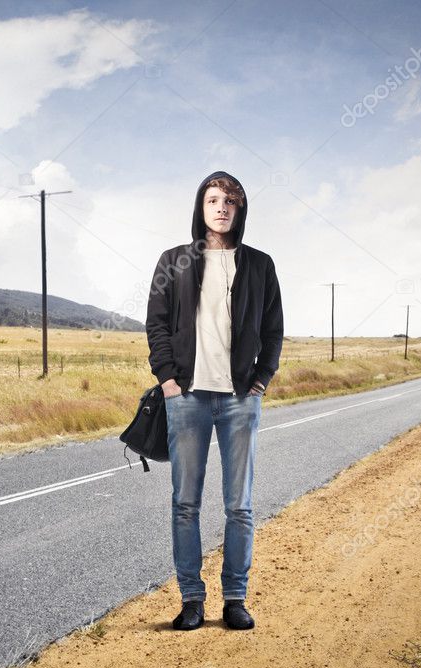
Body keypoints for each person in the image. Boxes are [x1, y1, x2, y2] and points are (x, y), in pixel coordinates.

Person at [145, 170, 284, 631]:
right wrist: (167, 380)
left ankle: (235, 599)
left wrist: (261, 379)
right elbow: (157, 325)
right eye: (213, 199)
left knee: (239, 506)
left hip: (241, 399)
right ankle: (191, 601)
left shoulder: (260, 265)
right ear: (200, 207)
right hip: (187, 397)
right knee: (185, 503)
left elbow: (273, 330)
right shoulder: (174, 260)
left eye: (230, 201)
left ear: (240, 210)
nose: (221, 207)